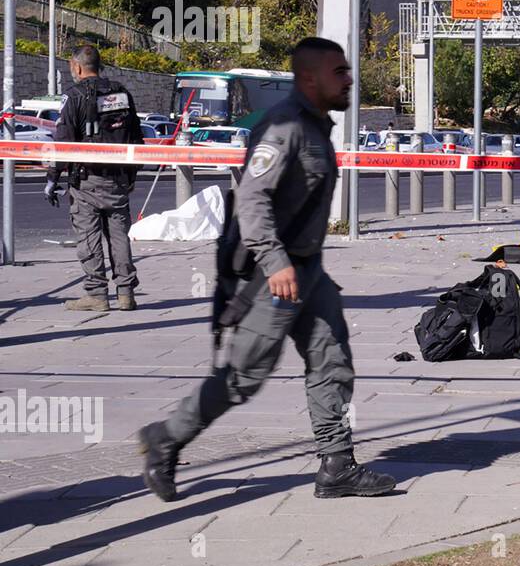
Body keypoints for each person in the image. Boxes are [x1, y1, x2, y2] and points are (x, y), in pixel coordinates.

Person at [138, 38, 396, 503]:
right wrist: (276, 264)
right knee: (243, 378)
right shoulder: (284, 127)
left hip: (307, 271)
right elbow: (253, 202)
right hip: (272, 276)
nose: (349, 79)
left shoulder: (317, 125)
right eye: (339, 71)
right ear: (309, 78)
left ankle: (336, 464)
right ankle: (166, 438)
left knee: (331, 355)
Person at [43, 45, 145, 312]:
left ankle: (97, 294)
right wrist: (132, 174)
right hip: (119, 177)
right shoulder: (121, 93)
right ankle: (126, 294)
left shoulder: (74, 95)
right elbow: (136, 135)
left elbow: (63, 142)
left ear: (77, 67)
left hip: (87, 179)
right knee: (119, 235)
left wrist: (52, 178)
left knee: (88, 235)